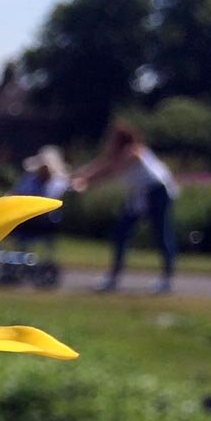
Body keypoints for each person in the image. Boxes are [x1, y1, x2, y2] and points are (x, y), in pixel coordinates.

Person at [71, 121, 178, 292]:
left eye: (111, 138)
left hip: (156, 192)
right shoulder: (120, 154)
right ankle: (113, 277)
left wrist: (86, 182)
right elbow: (100, 165)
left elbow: (110, 170)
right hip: (140, 195)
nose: (108, 141)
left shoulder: (133, 152)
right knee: (120, 232)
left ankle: (166, 280)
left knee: (161, 235)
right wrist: (78, 175)